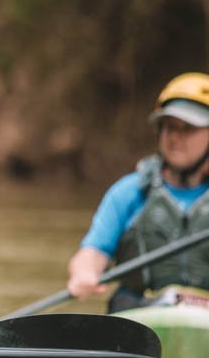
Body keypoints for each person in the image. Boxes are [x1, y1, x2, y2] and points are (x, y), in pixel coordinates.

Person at [67, 72, 209, 311]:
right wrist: (84, 274)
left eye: (188, 128)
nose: (175, 137)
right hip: (141, 321)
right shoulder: (129, 192)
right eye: (168, 127)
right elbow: (92, 253)